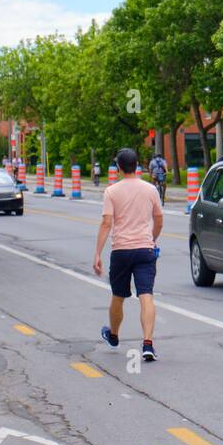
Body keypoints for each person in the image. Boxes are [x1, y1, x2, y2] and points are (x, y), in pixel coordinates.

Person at [93, 148, 162, 362]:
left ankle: (114, 335)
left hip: (121, 251)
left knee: (118, 295)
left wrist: (97, 254)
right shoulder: (151, 190)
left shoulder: (111, 192)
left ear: (119, 167)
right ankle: (148, 344)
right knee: (146, 295)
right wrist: (151, 238)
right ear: (138, 165)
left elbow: (106, 223)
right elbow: (158, 219)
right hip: (145, 249)